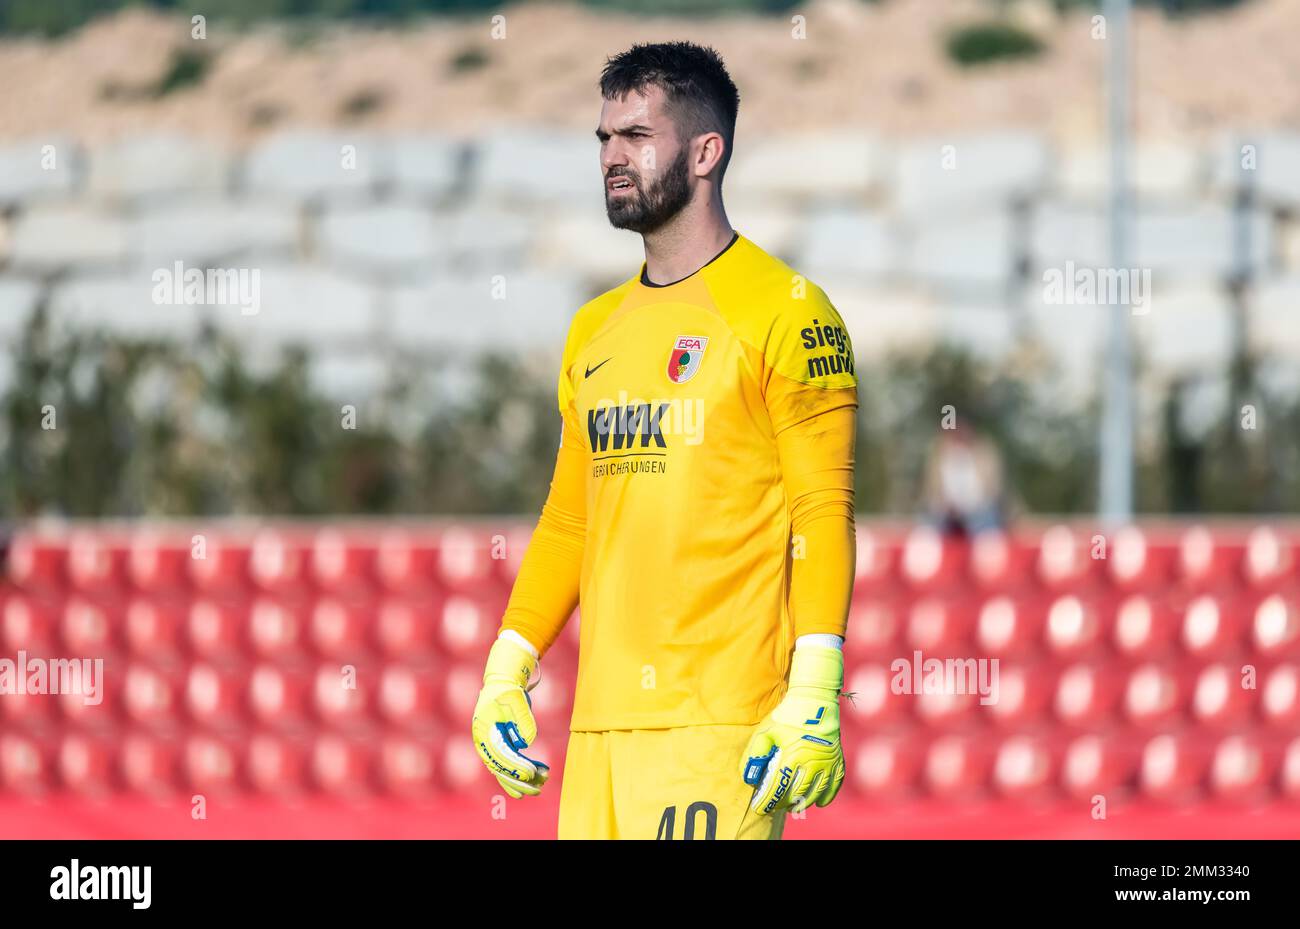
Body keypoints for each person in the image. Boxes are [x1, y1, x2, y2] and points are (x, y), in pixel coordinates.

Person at [471, 41, 858, 839]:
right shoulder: (593, 328)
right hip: (599, 736)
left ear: (706, 152)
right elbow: (570, 521)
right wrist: (508, 662)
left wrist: (817, 686)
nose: (613, 156)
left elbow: (822, 510)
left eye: (638, 136)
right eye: (604, 138)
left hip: (722, 731)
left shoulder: (787, 309)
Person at [921, 420, 1006, 537]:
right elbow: (932, 491)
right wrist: (945, 505)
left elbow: (992, 489)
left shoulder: (984, 454)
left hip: (978, 510)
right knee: (927, 527)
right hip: (946, 512)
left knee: (988, 529)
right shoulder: (938, 457)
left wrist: (969, 505)